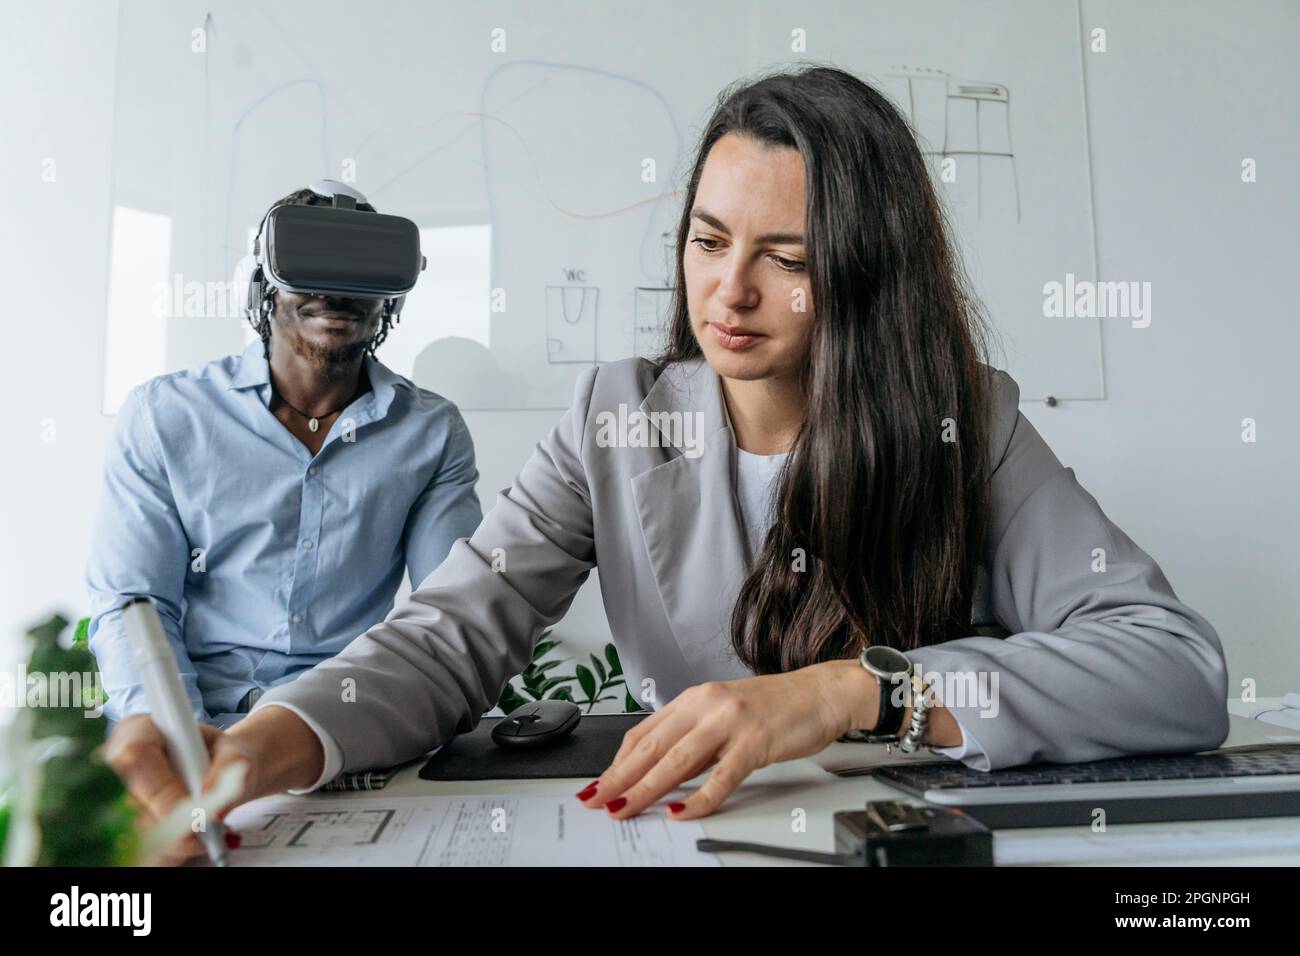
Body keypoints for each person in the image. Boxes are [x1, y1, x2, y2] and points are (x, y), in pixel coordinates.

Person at [108, 68, 1228, 864]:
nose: (728, 293)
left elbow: (1173, 664)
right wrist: (261, 744)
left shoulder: (963, 420)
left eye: (785, 258)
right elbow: (452, 631)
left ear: (866, 273)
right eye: (706, 239)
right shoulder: (614, 416)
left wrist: (854, 693)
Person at [87, 180, 483, 733]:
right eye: (311, 263)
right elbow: (135, 606)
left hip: (344, 725)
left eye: (360, 268)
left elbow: (450, 610)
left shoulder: (430, 432)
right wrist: (184, 745)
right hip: (196, 720)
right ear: (262, 283)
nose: (336, 290)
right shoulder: (165, 416)